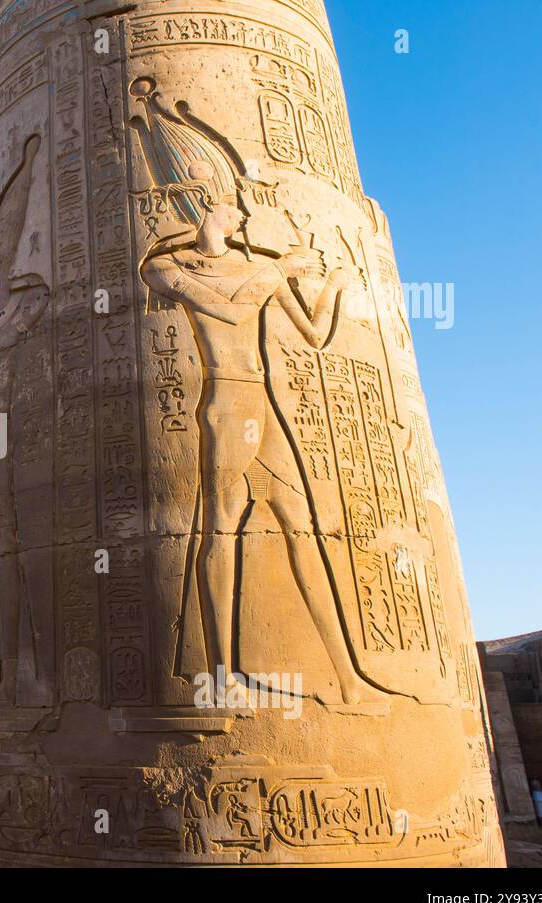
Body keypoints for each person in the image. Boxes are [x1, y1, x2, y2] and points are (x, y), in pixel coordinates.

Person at [140, 172, 379, 706]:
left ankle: (347, 678)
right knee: (221, 530)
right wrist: (275, 272)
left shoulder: (258, 271)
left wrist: (335, 285)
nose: (243, 218)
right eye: (233, 208)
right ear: (204, 207)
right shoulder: (167, 268)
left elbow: (316, 334)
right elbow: (228, 309)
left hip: (262, 403)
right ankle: (221, 677)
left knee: (302, 526)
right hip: (225, 404)